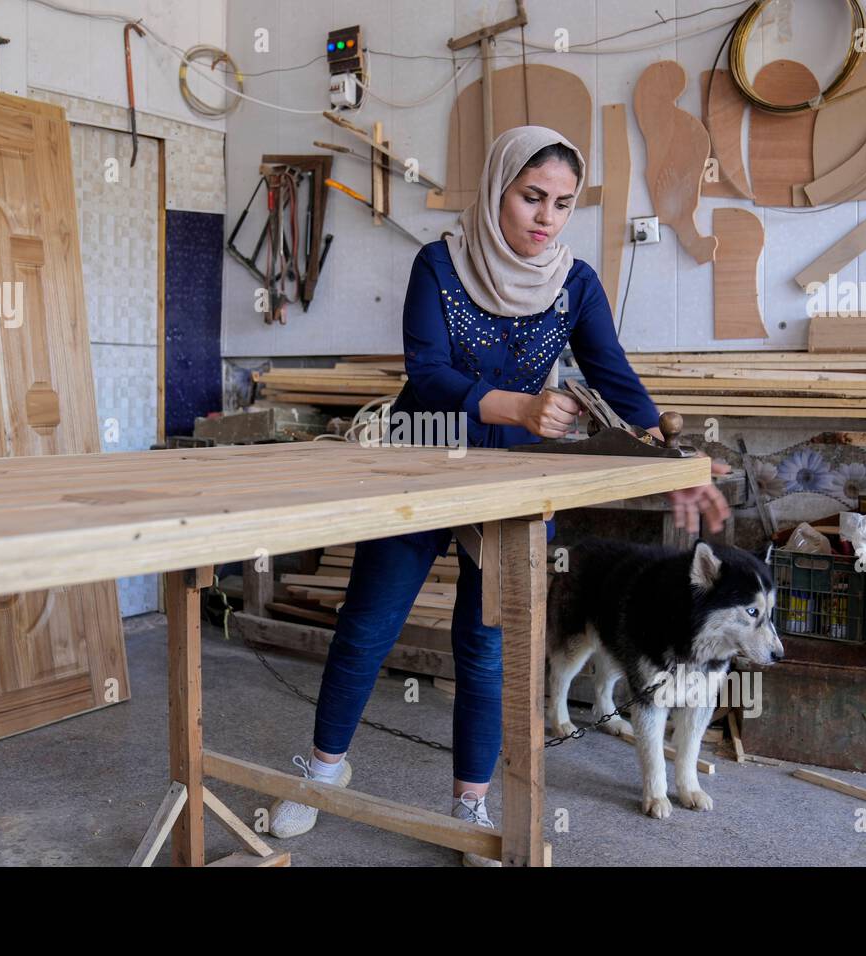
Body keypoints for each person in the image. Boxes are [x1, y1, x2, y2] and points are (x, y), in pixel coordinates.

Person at [268, 126, 731, 865]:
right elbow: (426, 375)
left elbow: (613, 373)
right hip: (421, 458)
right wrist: (517, 407)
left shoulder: (573, 281)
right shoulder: (438, 265)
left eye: (563, 203)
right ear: (497, 191)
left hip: (515, 477)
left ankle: (471, 803)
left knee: (484, 646)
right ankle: (324, 772)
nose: (546, 217)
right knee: (366, 626)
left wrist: (678, 463)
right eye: (531, 197)